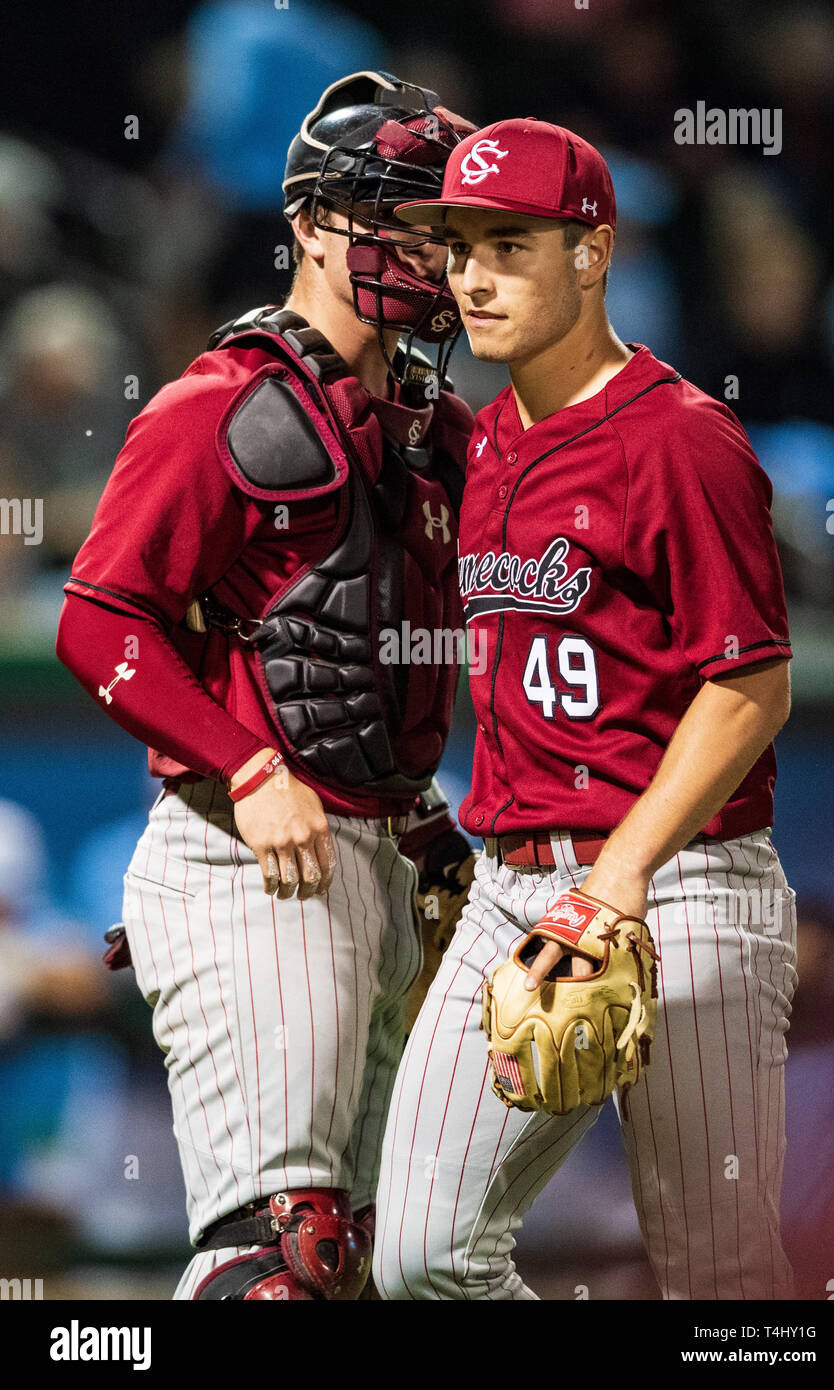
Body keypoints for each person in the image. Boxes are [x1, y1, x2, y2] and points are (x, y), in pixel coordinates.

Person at [56, 71, 479, 1301]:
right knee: (276, 1261)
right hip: (243, 857)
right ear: (308, 224)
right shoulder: (222, 405)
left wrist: (424, 820)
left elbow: (385, 662)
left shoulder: (430, 424)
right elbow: (98, 619)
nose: (423, 253)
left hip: (377, 860)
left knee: (378, 1263)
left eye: (438, 228)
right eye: (394, 218)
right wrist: (243, 766)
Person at [373, 117, 797, 1301]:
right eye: (457, 248)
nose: (472, 276)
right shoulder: (490, 441)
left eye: (509, 244)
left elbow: (749, 682)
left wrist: (617, 873)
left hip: (679, 887)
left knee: (721, 1286)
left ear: (592, 252)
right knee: (417, 1259)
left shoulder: (680, 439)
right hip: (513, 888)